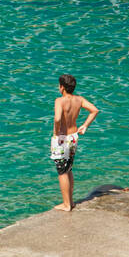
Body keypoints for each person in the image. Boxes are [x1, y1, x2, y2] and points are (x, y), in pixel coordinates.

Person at [51, 74, 99, 211]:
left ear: (62, 87)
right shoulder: (79, 99)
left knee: (62, 172)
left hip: (62, 138)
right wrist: (85, 126)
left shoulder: (59, 101)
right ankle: (70, 201)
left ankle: (66, 205)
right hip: (73, 137)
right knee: (68, 169)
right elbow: (94, 110)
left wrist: (56, 132)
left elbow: (57, 117)